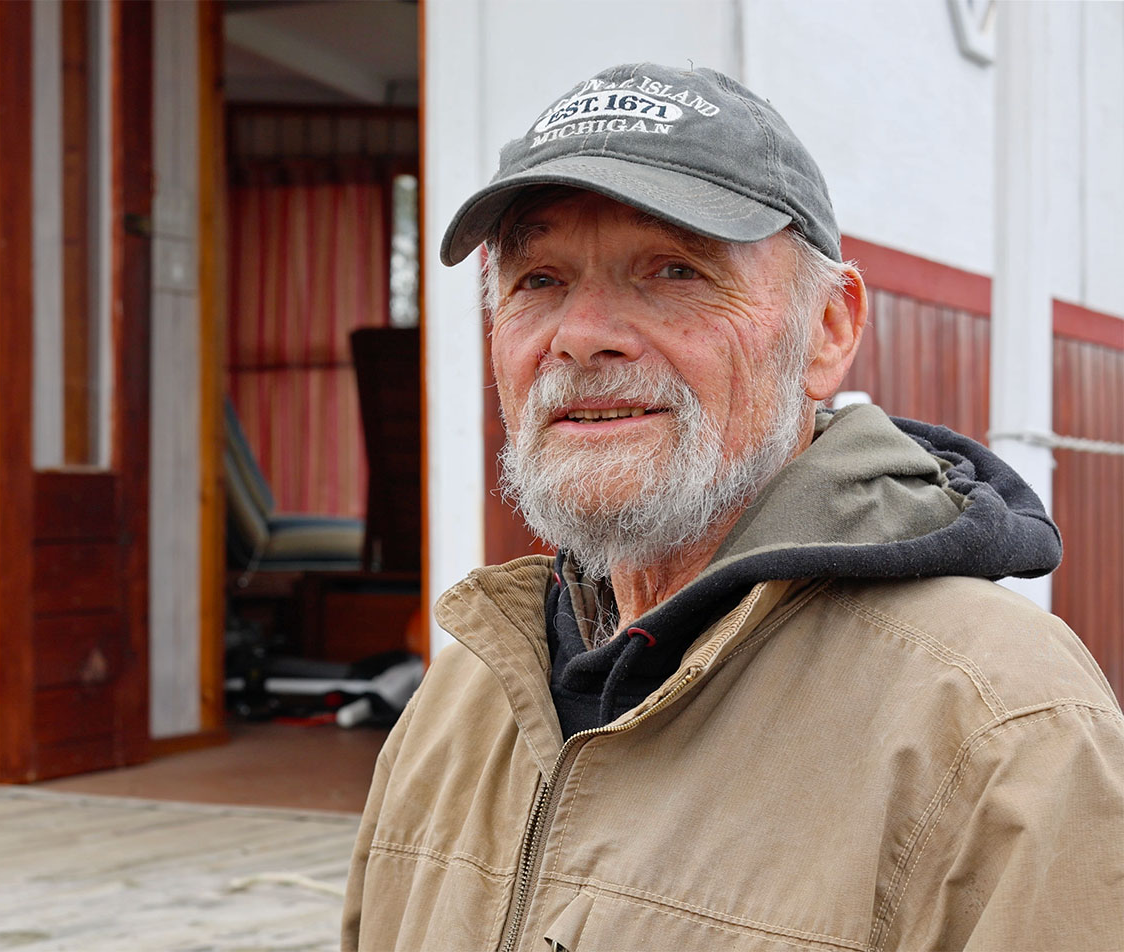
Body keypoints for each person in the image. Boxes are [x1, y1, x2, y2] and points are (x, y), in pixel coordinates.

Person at [341, 63, 1124, 951]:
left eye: (674, 269)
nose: (581, 333)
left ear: (828, 330)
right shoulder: (461, 695)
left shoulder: (999, 721)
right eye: (539, 279)